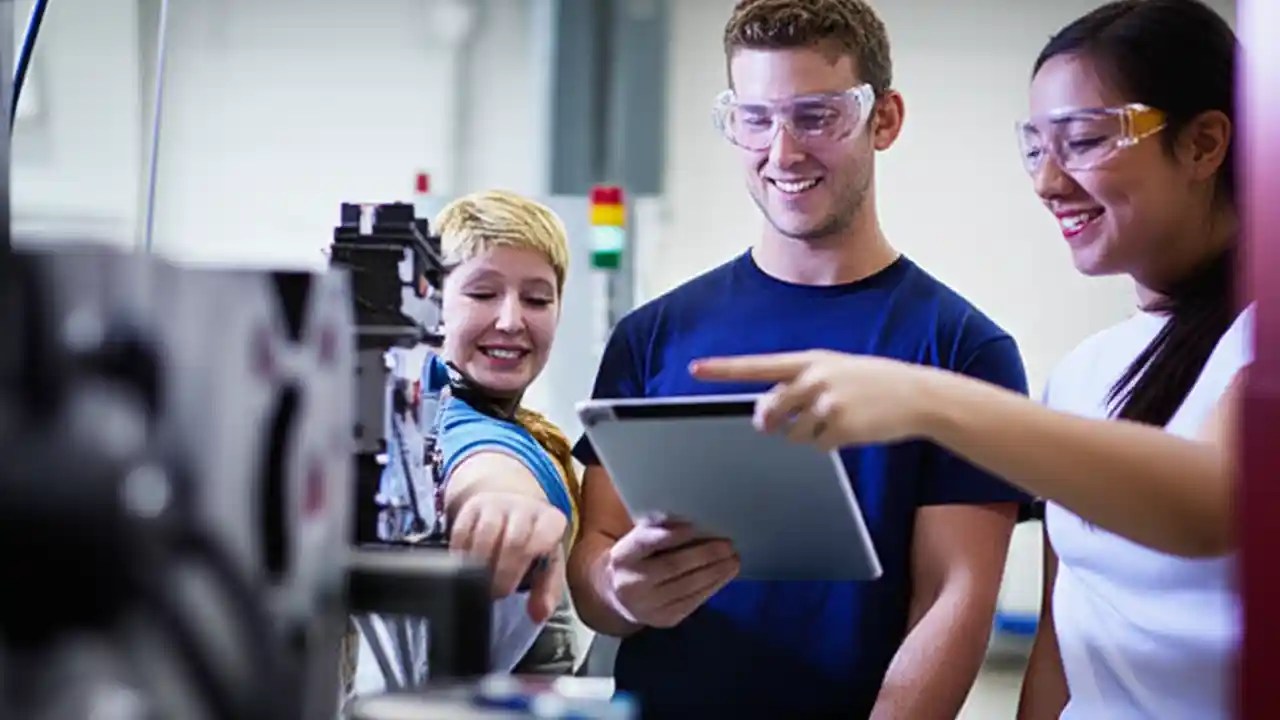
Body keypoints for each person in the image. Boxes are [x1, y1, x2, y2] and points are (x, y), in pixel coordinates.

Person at [690, 1, 1251, 718]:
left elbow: (1216, 503)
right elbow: (1063, 644)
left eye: (1082, 141)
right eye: (1036, 147)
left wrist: (929, 399)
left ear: (1204, 144)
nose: (1049, 182)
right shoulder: (1084, 373)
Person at [566, 1, 1032, 717]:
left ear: (885, 119)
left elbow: (953, 597)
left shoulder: (963, 351)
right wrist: (619, 589)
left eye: (816, 116)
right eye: (754, 118)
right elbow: (598, 560)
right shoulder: (652, 335)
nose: (782, 152)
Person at [350, 189, 582, 695]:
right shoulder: (434, 409)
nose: (511, 320)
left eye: (538, 298)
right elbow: (477, 452)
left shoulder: (529, 427)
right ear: (433, 302)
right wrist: (501, 503)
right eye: (482, 293)